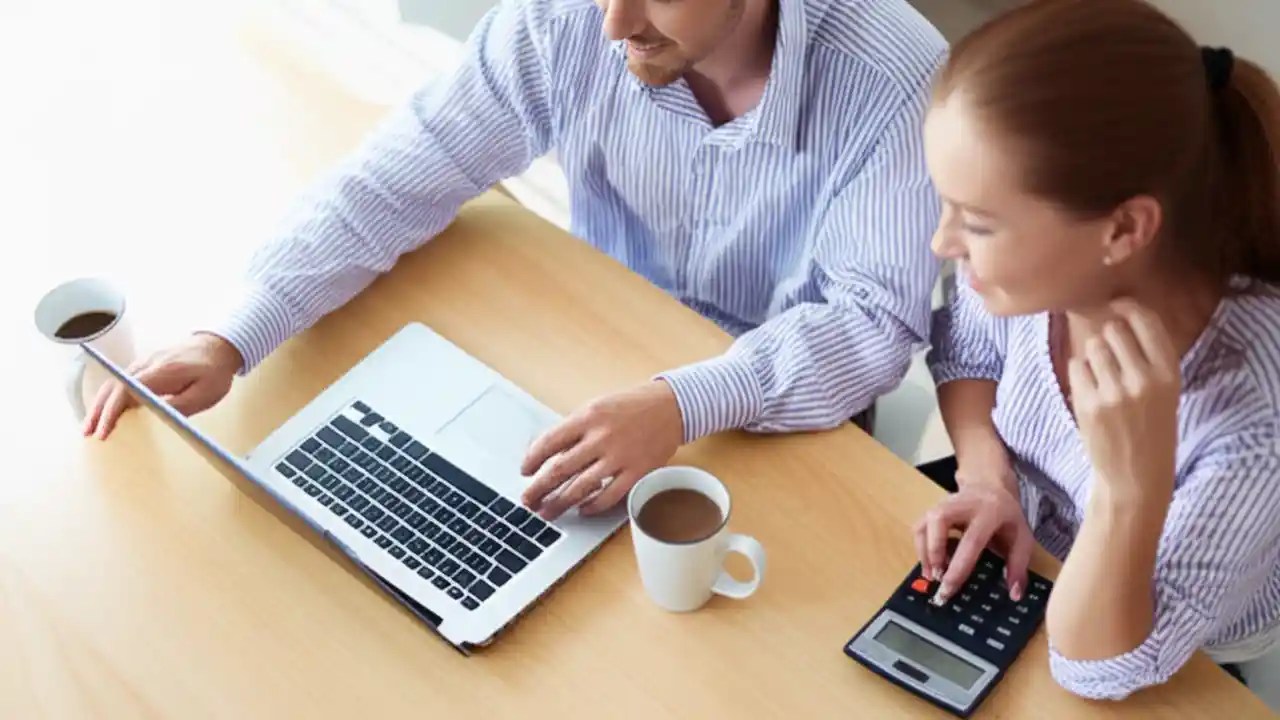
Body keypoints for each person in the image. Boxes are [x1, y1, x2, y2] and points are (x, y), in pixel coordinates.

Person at [84, 0, 945, 519]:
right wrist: (234, 335)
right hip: (591, 364)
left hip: (781, 415)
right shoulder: (573, 17)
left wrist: (683, 402)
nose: (615, 24)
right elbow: (402, 174)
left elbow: (870, 325)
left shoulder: (898, 76)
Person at [914, 0, 1280, 700]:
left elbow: (1099, 665)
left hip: (1158, 634)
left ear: (1123, 230)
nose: (943, 244)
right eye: (947, 204)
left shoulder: (1253, 423)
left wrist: (1128, 488)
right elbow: (966, 350)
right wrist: (987, 478)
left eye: (979, 223)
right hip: (1027, 535)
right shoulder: (1042, 277)